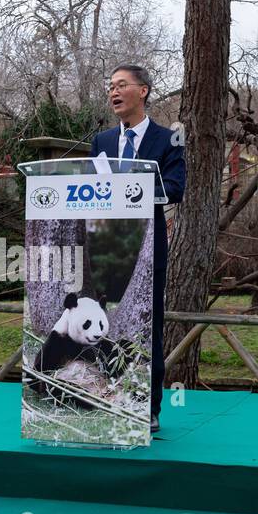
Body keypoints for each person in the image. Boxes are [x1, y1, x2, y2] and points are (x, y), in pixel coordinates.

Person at [89, 64, 186, 433]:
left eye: (121, 85)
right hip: (107, 245)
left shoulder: (167, 139)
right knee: (105, 320)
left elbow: (175, 188)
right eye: (110, 86)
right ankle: (104, 395)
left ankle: (149, 408)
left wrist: (136, 186)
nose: (114, 91)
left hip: (149, 243)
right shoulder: (101, 142)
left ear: (142, 91)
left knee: (147, 324)